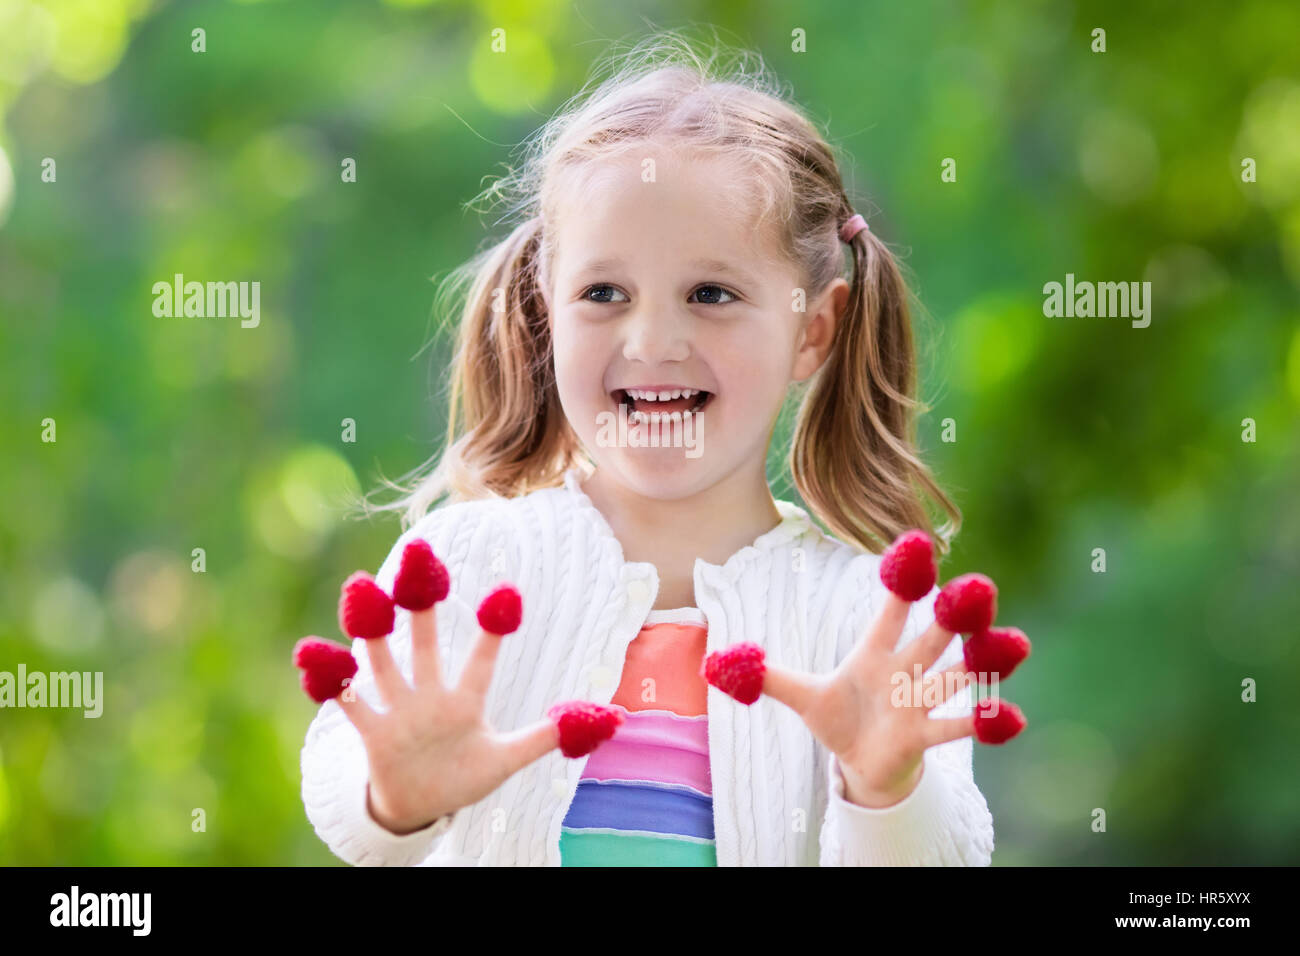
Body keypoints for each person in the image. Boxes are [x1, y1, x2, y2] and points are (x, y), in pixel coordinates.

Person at [300, 31, 996, 866]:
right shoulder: (469, 559)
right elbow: (345, 776)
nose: (655, 340)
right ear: (545, 312)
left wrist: (886, 788)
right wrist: (392, 799)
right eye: (603, 293)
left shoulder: (869, 616)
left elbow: (948, 850)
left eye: (712, 294)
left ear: (812, 332)